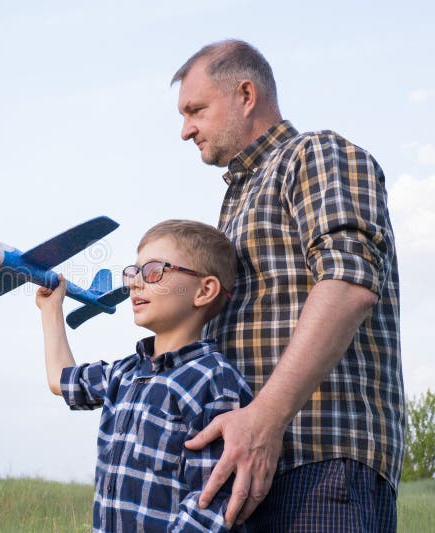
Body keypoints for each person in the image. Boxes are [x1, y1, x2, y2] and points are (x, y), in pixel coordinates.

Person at [171, 40, 404, 532]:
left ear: (246, 94)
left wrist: (265, 417)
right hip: (248, 466)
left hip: (319, 462)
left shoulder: (315, 153)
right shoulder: (238, 200)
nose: (186, 129)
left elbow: (349, 281)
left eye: (196, 109)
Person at [36, 219, 253, 532]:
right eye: (133, 273)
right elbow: (62, 380)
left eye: (153, 271)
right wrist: (50, 310)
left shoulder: (214, 382)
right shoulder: (125, 374)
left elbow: (212, 502)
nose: (134, 284)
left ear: (204, 291)